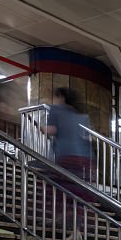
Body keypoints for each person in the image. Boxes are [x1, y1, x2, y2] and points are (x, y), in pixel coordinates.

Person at [44, 87, 94, 228]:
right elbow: (86, 139)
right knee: (75, 192)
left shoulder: (56, 110)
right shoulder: (82, 116)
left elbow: (51, 130)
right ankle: (75, 228)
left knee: (55, 188)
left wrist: (40, 127)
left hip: (65, 156)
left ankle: (59, 217)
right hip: (83, 159)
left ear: (61, 97)